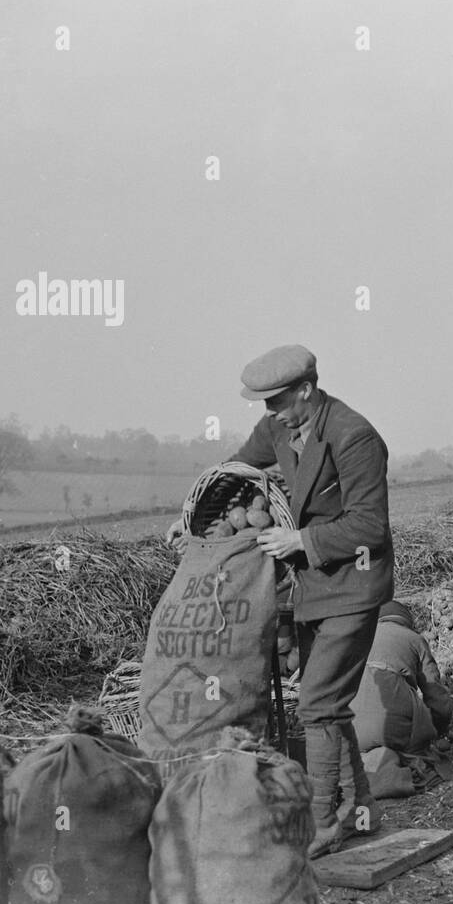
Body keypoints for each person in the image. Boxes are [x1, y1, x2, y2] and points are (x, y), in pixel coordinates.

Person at [165, 343, 394, 858]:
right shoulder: (277, 428)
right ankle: (361, 811)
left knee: (317, 705)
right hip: (313, 585)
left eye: (275, 401)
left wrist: (300, 542)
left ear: (306, 391)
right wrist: (192, 515)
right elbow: (233, 473)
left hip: (353, 585)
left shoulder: (354, 436)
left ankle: (321, 824)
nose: (268, 412)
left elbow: (370, 526)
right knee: (328, 706)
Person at [352, 601, 453, 756]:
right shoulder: (415, 640)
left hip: (351, 733)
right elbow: (436, 697)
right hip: (395, 732)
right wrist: (439, 731)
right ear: (406, 621)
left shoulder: (357, 639)